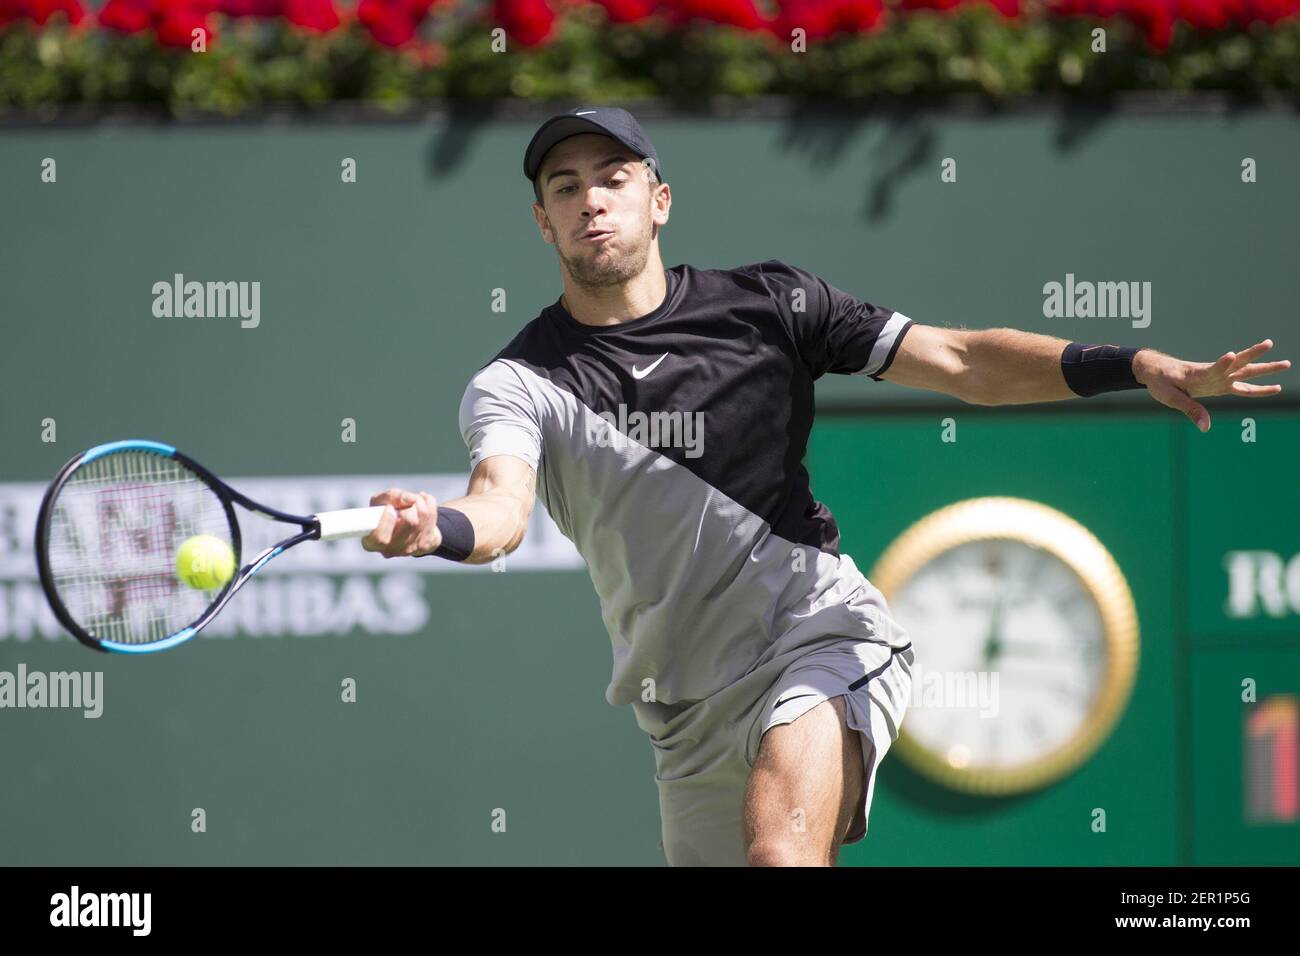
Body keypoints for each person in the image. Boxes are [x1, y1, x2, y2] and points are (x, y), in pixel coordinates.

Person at [362, 106, 1290, 866]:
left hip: (818, 632)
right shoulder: (518, 383)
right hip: (683, 708)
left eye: (613, 179)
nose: (590, 202)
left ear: (660, 199)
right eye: (564, 188)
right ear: (542, 220)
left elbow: (963, 361)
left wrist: (1129, 362)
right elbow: (500, 507)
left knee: (780, 855)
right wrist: (437, 527)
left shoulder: (775, 304)